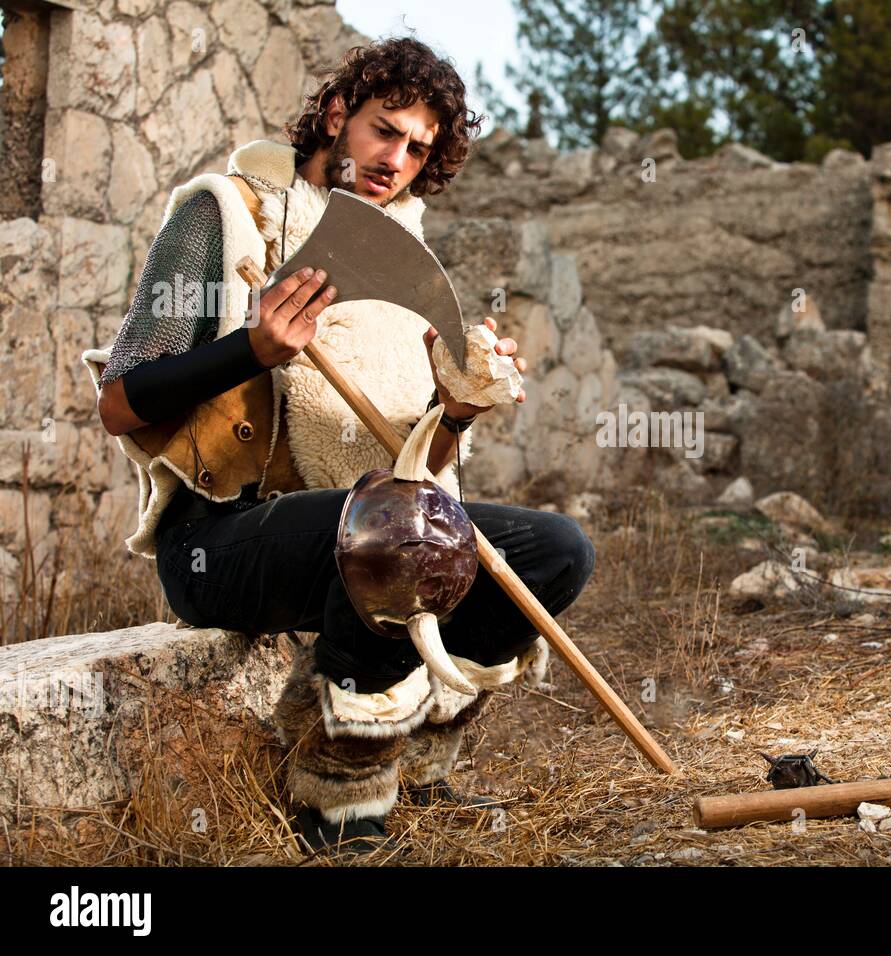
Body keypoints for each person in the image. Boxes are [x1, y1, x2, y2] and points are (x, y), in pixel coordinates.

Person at [83, 37, 596, 854]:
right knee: (387, 528)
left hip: (362, 527)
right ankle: (341, 794)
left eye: (418, 147)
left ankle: (419, 761)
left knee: (558, 551)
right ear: (335, 115)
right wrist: (249, 350)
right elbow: (117, 401)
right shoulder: (223, 216)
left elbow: (412, 474)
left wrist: (457, 412)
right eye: (384, 130)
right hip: (221, 538)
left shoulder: (399, 264)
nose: (397, 158)